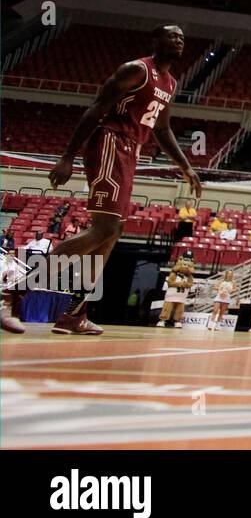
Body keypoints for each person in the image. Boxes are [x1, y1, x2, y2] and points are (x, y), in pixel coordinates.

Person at [39, 25, 202, 336]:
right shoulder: (136, 70)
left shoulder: (170, 82)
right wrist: (67, 156)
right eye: (172, 35)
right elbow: (97, 108)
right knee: (106, 227)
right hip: (110, 141)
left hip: (131, 151)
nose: (179, 40)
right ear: (155, 40)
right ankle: (14, 293)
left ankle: (74, 314)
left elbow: (163, 130)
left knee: (110, 235)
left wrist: (186, 167)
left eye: (183, 36)